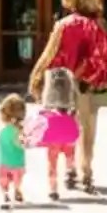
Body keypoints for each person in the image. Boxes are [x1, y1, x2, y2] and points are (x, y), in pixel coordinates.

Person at [28, 0, 107, 194]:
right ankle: (86, 171)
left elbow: (51, 54)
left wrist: (37, 77)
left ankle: (68, 169)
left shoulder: (65, 24)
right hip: (94, 84)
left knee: (65, 127)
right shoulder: (101, 26)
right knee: (89, 130)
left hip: (66, 83)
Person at [28, 67, 81, 201]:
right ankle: (70, 171)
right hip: (68, 138)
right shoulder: (71, 110)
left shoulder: (49, 112)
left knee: (52, 164)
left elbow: (40, 121)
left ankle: (53, 189)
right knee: (70, 155)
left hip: (54, 141)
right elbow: (76, 125)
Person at [0, 93, 27, 210]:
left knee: (3, 181)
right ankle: (17, 190)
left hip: (2, 162)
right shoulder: (20, 130)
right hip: (17, 163)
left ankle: (5, 194)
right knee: (17, 179)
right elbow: (22, 144)